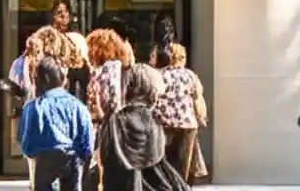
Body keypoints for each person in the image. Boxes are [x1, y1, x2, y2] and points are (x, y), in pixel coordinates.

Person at [99, 63, 190, 191]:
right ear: (152, 90)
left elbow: (105, 157)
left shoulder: (113, 122)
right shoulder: (153, 122)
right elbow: (156, 157)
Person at [19, 56, 94, 191]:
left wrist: (34, 154)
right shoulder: (78, 107)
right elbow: (87, 143)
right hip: (71, 160)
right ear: (63, 79)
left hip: (44, 161)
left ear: (40, 80)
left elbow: (25, 141)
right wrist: (80, 157)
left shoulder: (33, 107)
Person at [155, 43, 204, 183]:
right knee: (184, 164)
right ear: (183, 58)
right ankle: (181, 185)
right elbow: (197, 96)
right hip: (186, 123)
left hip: (163, 123)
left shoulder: (160, 74)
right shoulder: (189, 75)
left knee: (165, 160)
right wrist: (200, 117)